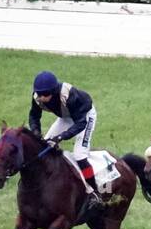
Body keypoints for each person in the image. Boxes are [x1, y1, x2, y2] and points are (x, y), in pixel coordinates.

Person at [26, 71, 102, 221]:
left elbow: (80, 123)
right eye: (39, 94)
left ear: (53, 91)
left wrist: (60, 137)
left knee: (80, 155)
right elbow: (34, 116)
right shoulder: (37, 97)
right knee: (44, 147)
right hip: (66, 116)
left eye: (45, 94)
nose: (41, 98)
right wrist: (36, 132)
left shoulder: (69, 95)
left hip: (85, 117)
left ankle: (95, 192)